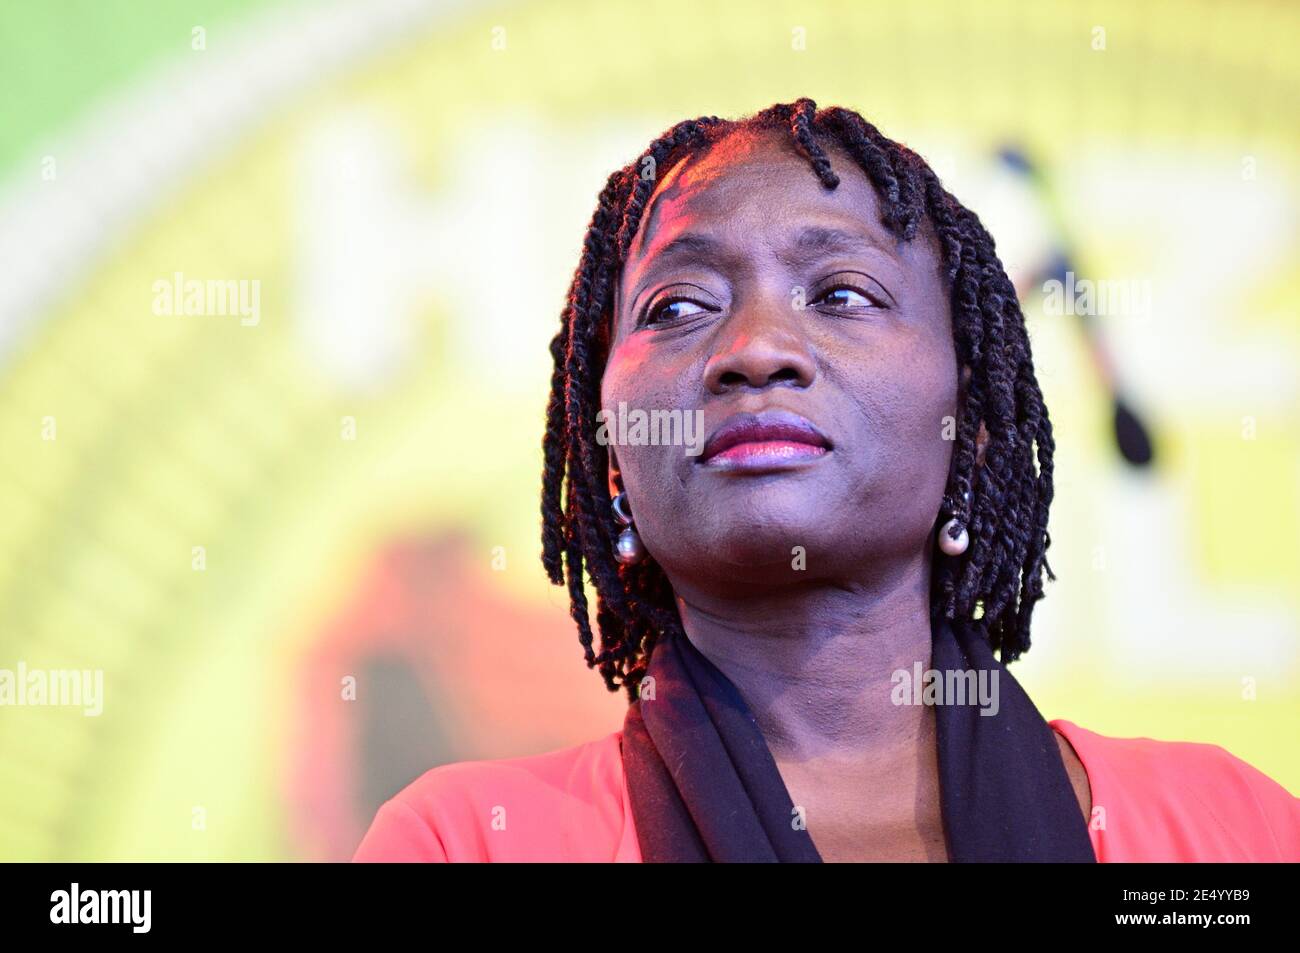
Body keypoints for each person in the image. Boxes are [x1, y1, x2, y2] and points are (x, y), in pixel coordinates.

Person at [353, 100, 1299, 862]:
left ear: (971, 427)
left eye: (843, 293)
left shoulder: (1231, 833)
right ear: (607, 455)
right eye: (679, 306)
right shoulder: (463, 843)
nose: (756, 349)